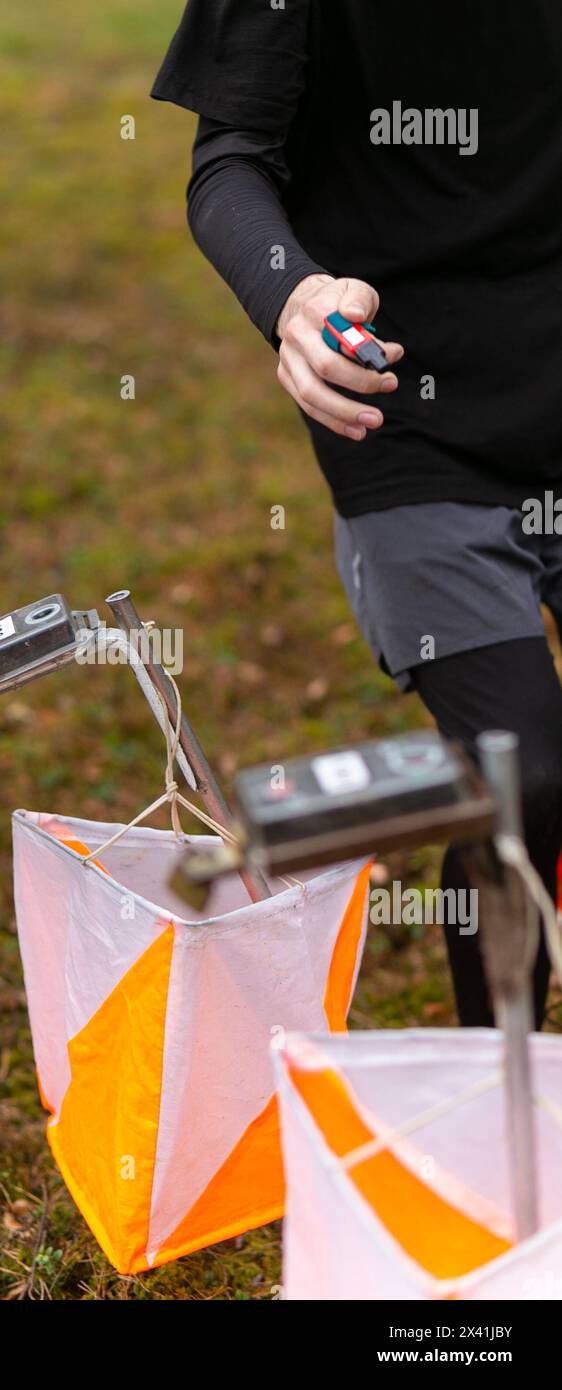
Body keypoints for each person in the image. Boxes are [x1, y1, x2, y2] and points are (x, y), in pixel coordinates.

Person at [151, 0, 562, 1026]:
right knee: (524, 777)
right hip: (402, 408)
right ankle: (494, 1088)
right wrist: (289, 298)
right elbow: (231, 157)